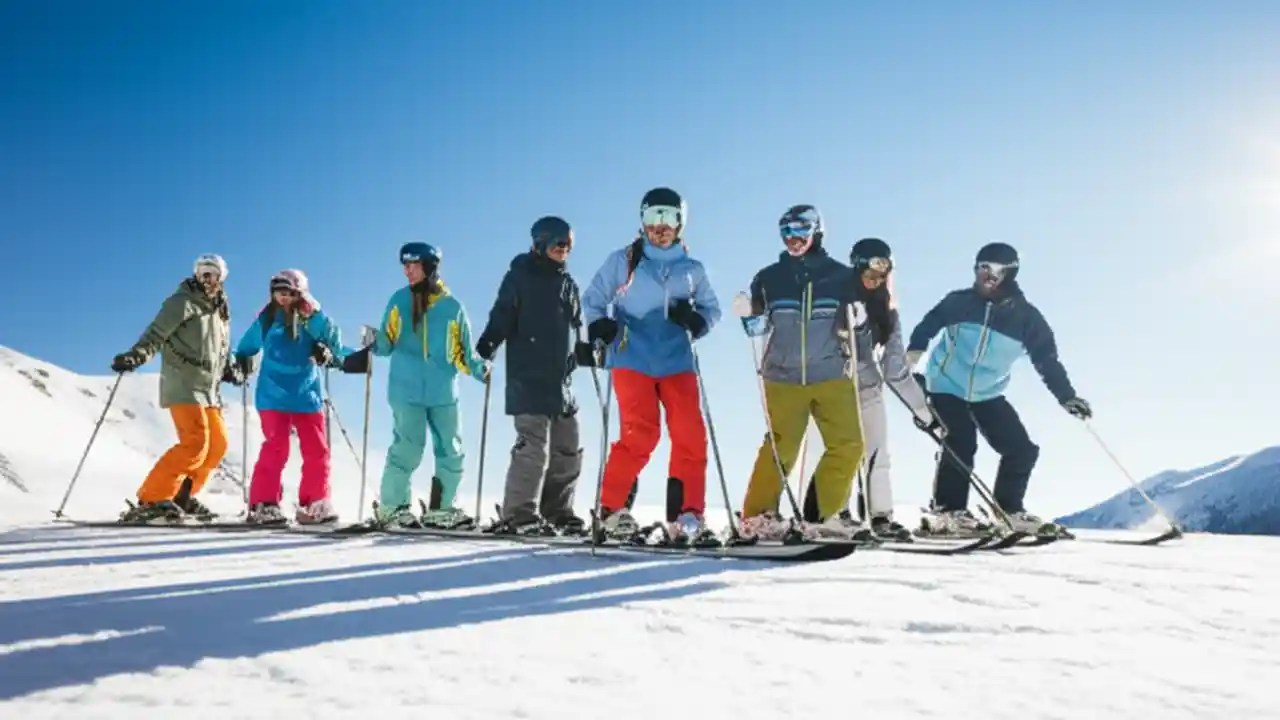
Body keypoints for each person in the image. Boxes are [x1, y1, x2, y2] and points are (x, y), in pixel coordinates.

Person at [906, 242, 1092, 537]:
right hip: (944, 385)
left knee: (1021, 450)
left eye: (996, 270)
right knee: (960, 441)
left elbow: (1047, 361)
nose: (988, 275)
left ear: (1010, 274)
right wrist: (913, 360)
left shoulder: (1027, 318)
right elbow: (927, 326)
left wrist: (1067, 397)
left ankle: (1009, 511)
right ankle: (948, 512)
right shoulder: (958, 302)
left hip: (987, 392)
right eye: (983, 267)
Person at [582, 187, 721, 544]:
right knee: (641, 433)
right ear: (642, 221)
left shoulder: (692, 269)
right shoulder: (624, 261)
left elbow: (712, 309)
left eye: (669, 218)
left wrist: (695, 320)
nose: (660, 226)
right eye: (652, 217)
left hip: (677, 360)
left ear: (681, 223)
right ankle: (611, 510)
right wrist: (600, 326)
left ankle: (688, 516)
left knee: (690, 435)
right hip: (632, 356)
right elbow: (594, 298)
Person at [733, 205, 865, 540]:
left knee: (848, 444)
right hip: (783, 375)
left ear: (817, 230)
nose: (793, 238)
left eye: (800, 230)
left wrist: (860, 318)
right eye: (786, 231)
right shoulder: (769, 277)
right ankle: (756, 517)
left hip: (832, 371)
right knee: (782, 446)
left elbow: (857, 320)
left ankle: (820, 516)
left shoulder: (842, 276)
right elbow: (759, 325)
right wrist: (749, 315)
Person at [475, 216, 592, 536]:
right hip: (528, 376)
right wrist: (486, 345)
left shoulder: (569, 283)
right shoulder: (520, 277)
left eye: (568, 245)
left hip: (562, 382)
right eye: (558, 244)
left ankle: (558, 511)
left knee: (568, 446)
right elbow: (501, 315)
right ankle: (519, 513)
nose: (564, 250)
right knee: (533, 447)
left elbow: (576, 326)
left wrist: (586, 351)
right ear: (540, 243)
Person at [364, 242, 490, 529]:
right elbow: (386, 344)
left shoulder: (452, 307)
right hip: (405, 389)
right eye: (404, 265)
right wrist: (373, 341)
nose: (407, 271)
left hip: (443, 391)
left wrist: (480, 369)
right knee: (407, 447)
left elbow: (464, 354)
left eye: (413, 265)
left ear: (430, 267)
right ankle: (392, 508)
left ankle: (441, 509)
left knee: (451, 449)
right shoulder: (399, 300)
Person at [111, 253, 244, 523]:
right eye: (203, 273)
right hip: (183, 380)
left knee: (217, 445)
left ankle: (182, 494)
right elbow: (156, 333)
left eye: (213, 273)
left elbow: (220, 348)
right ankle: (152, 498)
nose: (208, 278)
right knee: (195, 442)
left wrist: (230, 366)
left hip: (209, 388)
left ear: (222, 277)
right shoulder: (182, 302)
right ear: (196, 274)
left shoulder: (220, 310)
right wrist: (136, 355)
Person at [839, 238, 942, 541]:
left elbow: (896, 369)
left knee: (878, 454)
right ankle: (835, 514)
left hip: (868, 387)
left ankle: (880, 517)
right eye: (870, 269)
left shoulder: (888, 312)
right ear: (856, 267)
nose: (876, 278)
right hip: (834, 387)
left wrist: (922, 410)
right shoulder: (834, 298)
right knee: (840, 453)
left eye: (884, 271)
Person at [232, 269, 350, 526]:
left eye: (289, 293)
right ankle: (264, 503)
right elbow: (246, 346)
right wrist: (241, 361)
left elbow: (334, 343)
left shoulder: (312, 317)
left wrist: (335, 355)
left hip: (307, 395)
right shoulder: (266, 319)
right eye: (278, 293)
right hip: (273, 394)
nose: (283, 298)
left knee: (317, 449)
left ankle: (315, 502)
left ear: (300, 294)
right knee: (277, 447)